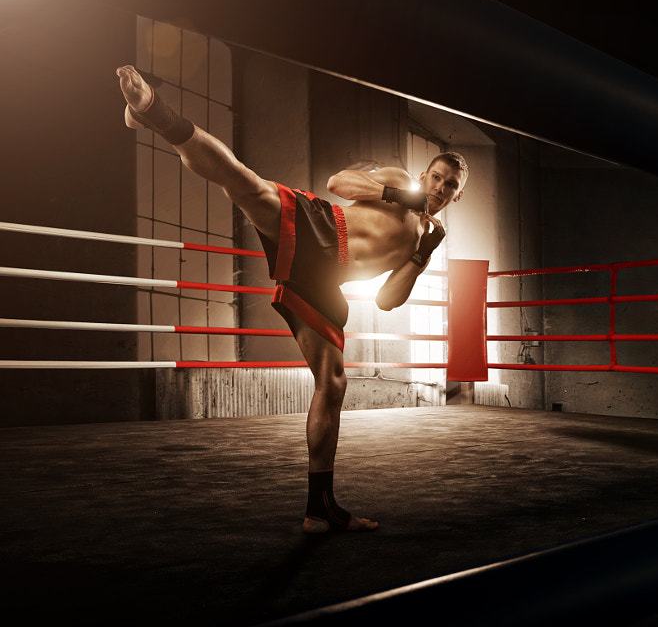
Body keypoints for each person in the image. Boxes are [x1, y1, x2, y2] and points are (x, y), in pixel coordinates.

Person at [116, 65, 468, 534]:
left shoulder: (424, 239)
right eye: (438, 178)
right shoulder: (401, 179)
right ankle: (155, 113)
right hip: (322, 226)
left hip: (327, 281)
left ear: (456, 198)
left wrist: (421, 259)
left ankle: (319, 507)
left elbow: (386, 300)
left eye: (449, 188)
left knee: (335, 384)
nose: (439, 190)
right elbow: (338, 184)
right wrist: (397, 194)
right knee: (245, 183)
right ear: (426, 173)